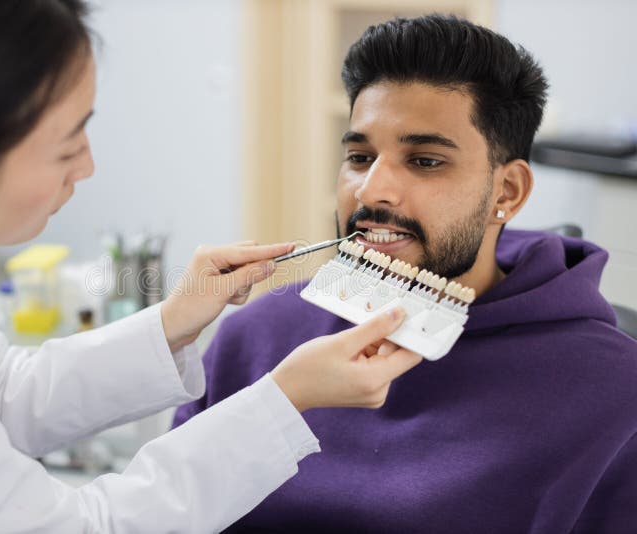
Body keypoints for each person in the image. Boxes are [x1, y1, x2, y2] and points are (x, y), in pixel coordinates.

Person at [0, 2, 424, 532]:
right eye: (67, 148)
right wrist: (284, 400)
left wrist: (171, 322)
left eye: (424, 160)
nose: (88, 167)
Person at [174, 14, 637, 533]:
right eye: (359, 155)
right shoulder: (253, 338)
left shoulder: (617, 394)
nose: (371, 190)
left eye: (424, 161)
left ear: (506, 192)